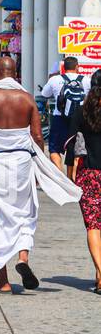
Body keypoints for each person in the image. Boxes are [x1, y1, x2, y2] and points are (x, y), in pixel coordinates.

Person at [0, 57, 80, 293]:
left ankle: (3, 281)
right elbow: (37, 138)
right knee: (25, 212)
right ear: (15, 73)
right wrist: (38, 166)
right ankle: (23, 258)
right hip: (22, 162)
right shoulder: (26, 99)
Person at [65, 69, 101, 292]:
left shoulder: (82, 111)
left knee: (93, 225)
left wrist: (70, 174)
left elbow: (71, 143)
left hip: (89, 175)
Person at [41, 56, 89, 172]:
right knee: (76, 149)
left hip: (59, 118)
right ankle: (72, 178)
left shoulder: (55, 79)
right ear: (77, 67)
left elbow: (44, 94)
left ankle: (61, 176)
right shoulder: (86, 79)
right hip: (80, 119)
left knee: (54, 150)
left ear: (63, 67)